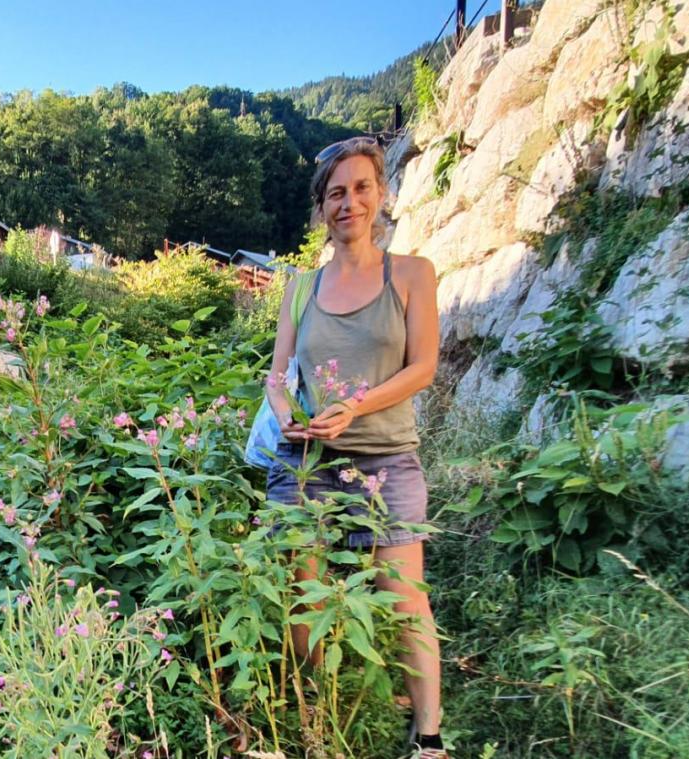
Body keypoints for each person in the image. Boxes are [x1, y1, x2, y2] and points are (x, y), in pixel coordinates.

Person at [263, 136, 445, 758]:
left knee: (404, 597)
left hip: (386, 459)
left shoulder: (413, 274)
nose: (350, 203)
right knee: (301, 592)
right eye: (336, 193)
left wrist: (355, 406)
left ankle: (428, 737)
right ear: (322, 208)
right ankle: (324, 710)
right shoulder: (297, 288)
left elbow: (423, 367)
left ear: (381, 195)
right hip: (309, 461)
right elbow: (278, 376)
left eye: (361, 188)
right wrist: (290, 415)